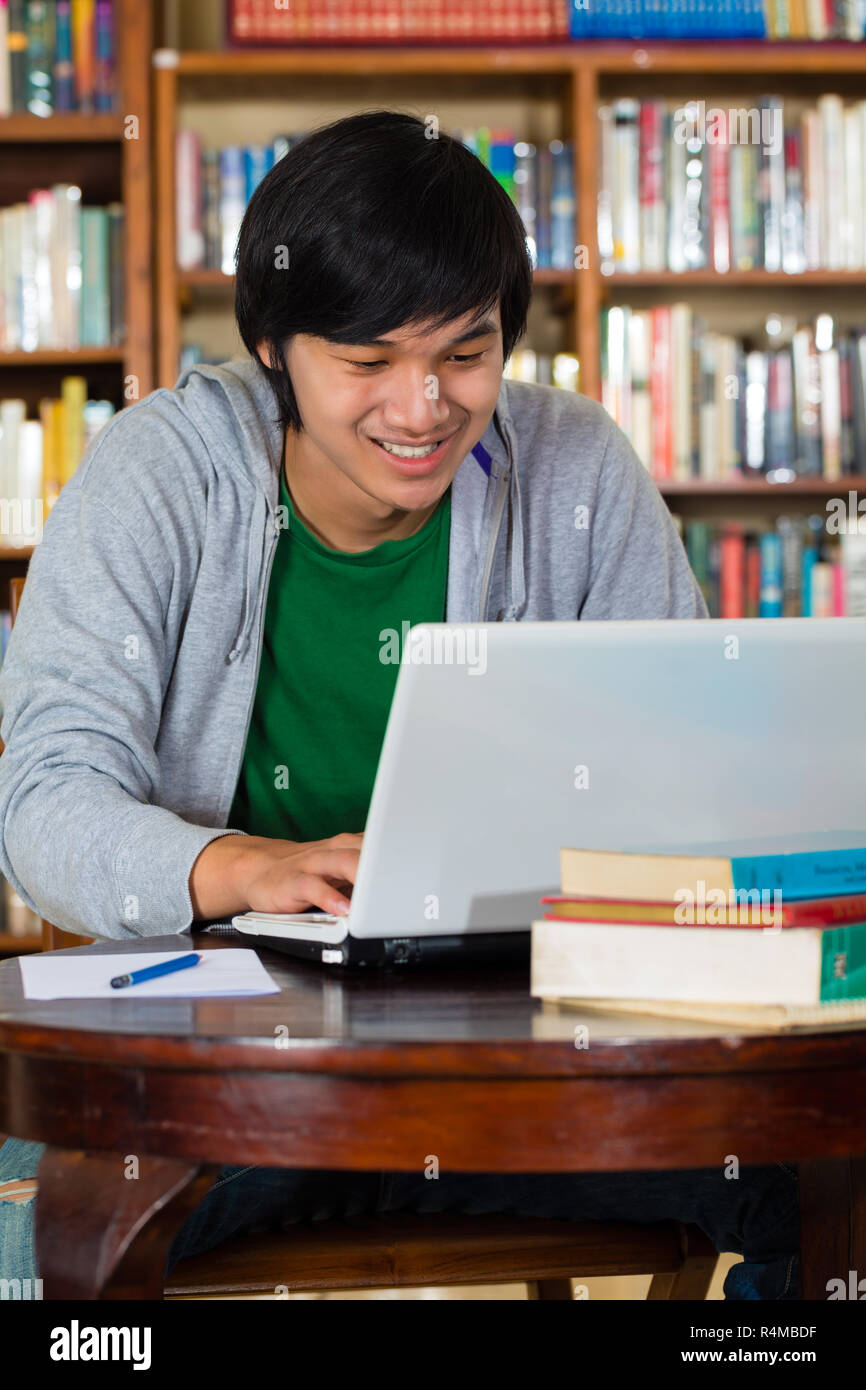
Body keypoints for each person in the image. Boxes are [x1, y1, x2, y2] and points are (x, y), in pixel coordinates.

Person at [0, 111, 797, 1299]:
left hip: (535, 1069)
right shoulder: (159, 476)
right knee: (35, 1259)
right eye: (367, 363)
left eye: (464, 355)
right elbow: (44, 802)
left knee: (818, 1179)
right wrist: (241, 867)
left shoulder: (574, 468)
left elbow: (688, 779)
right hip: (230, 1073)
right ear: (273, 348)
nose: (422, 409)